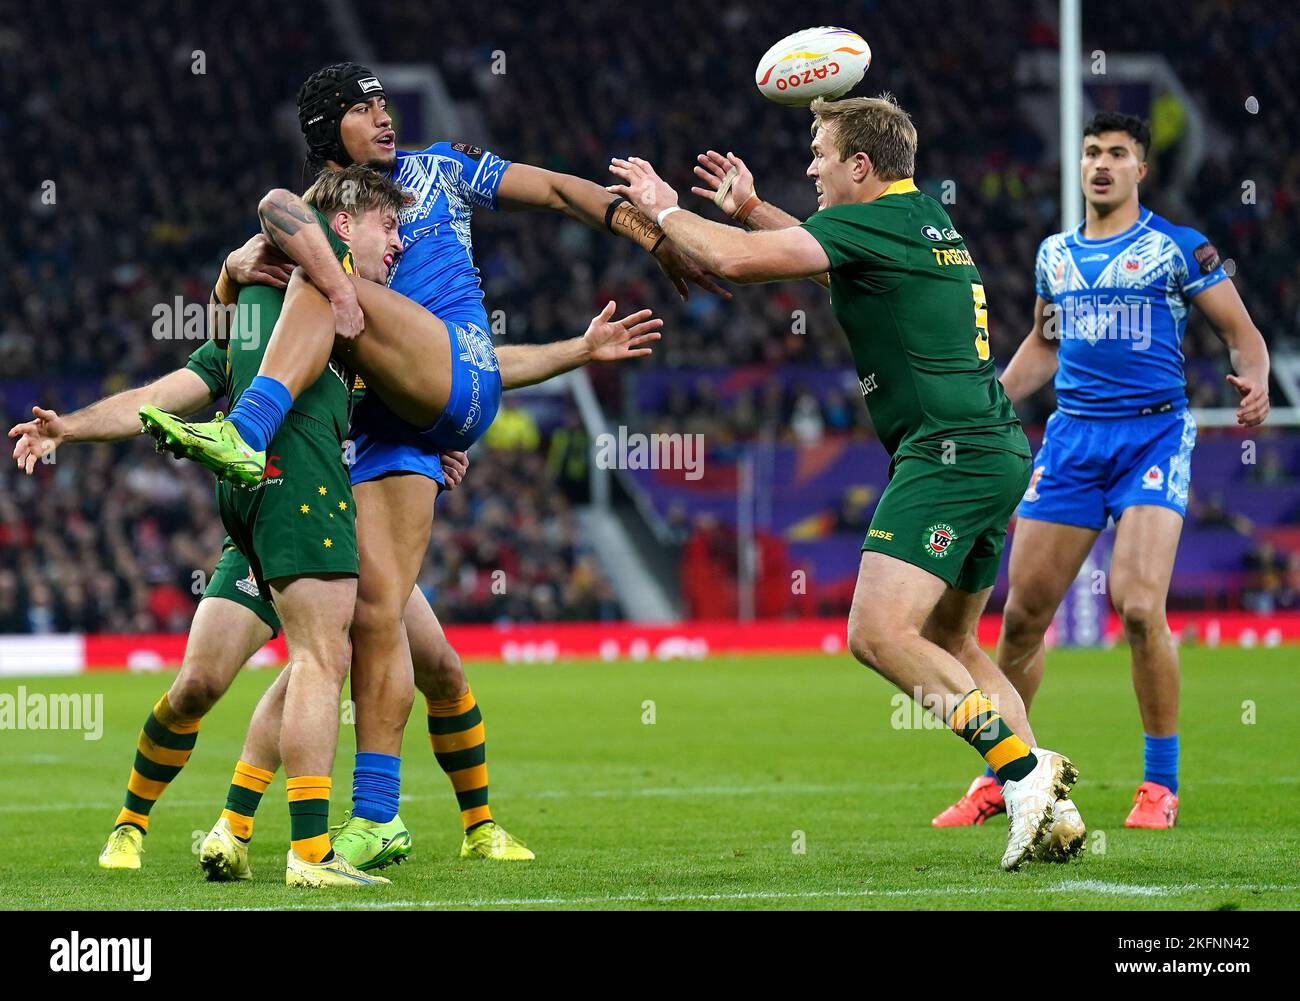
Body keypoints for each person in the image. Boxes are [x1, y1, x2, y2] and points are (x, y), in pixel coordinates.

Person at [13, 166, 659, 881]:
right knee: (307, 663)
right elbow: (175, 383)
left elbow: (469, 367)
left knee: (386, 665)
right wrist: (76, 425)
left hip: (309, 510)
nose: (400, 244)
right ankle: (275, 842)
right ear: (343, 226)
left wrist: (548, 366)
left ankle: (442, 825)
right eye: (389, 227)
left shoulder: (346, 311)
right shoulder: (319, 296)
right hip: (305, 500)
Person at [137, 62, 694, 867]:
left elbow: (562, 193)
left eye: (384, 104)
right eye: (364, 110)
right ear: (328, 130)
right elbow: (241, 324)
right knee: (387, 639)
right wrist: (579, 348)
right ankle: (474, 824)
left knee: (331, 640)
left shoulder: (437, 170)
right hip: (390, 428)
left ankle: (248, 433)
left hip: (447, 373)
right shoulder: (330, 219)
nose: (385, 118)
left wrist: (651, 231)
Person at [607, 94, 1080, 870]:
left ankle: (1022, 773)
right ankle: (1047, 805)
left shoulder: (880, 223)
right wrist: (755, 206)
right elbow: (820, 259)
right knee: (951, 639)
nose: (811, 167)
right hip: (993, 446)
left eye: (821, 155)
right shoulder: (916, 218)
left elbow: (732, 261)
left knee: (877, 632)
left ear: (861, 166)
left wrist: (662, 209)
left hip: (945, 451)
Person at [932, 113, 1271, 831]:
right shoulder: (1056, 255)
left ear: (1140, 169)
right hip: (1072, 443)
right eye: (1092, 152)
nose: (1102, 164)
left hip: (1153, 434)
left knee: (1140, 607)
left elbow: (1242, 336)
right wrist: (983, 400)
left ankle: (1160, 784)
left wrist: (1259, 379)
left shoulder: (1178, 250)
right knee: (1021, 618)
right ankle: (1006, 771)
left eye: (1118, 153)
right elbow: (1045, 346)